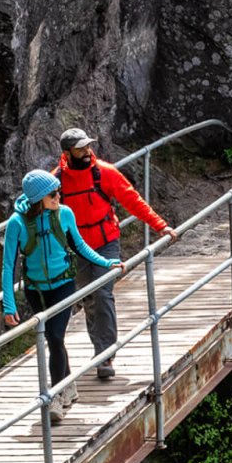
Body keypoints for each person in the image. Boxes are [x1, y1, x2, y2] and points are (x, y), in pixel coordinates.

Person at [55, 127, 179, 379]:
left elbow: (132, 200)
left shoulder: (104, 173)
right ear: (67, 153)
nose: (87, 151)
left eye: (88, 146)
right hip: (76, 248)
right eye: (80, 148)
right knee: (88, 299)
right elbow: (43, 213)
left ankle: (105, 355)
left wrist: (160, 225)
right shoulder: (57, 182)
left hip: (105, 242)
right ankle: (100, 350)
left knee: (102, 293)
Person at [1, 169, 120, 422]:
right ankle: (69, 384)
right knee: (54, 340)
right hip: (35, 291)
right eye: (53, 194)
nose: (59, 198)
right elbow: (8, 265)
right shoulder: (17, 224)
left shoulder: (64, 214)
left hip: (64, 284)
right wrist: (9, 304)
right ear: (38, 199)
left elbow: (79, 246)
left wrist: (106, 262)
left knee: (55, 336)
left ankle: (54, 397)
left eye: (59, 192)